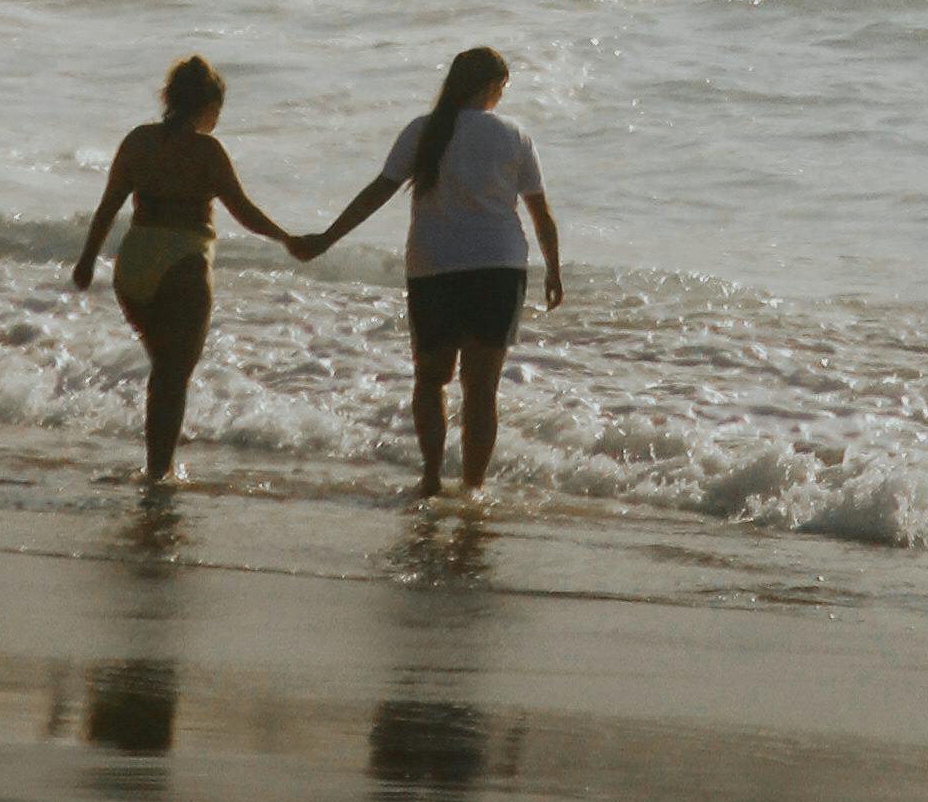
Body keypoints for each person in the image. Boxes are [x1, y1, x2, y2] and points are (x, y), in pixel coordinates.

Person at [304, 42, 563, 495]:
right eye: (502, 86)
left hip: (433, 267)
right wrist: (553, 268)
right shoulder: (513, 133)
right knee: (480, 390)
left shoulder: (424, 130)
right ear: (491, 86)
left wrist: (328, 237)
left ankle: (429, 478)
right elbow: (540, 211)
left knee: (431, 380)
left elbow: (378, 192)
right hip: (496, 269)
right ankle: (473, 488)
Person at [70, 54, 299, 487]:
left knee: (164, 371)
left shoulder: (137, 141)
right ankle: (159, 474)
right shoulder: (207, 151)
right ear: (208, 106)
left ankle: (156, 465)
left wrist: (86, 261)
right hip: (183, 263)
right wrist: (287, 238)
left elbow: (107, 207)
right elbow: (243, 211)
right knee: (173, 376)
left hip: (134, 263)